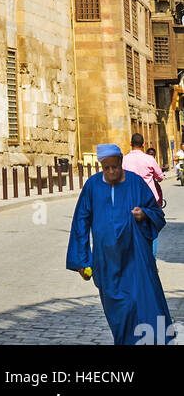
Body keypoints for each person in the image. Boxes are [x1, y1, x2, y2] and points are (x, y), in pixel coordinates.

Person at [66, 142, 172, 345]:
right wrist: (81, 260)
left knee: (140, 301)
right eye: (107, 168)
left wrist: (144, 214)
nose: (111, 171)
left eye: (115, 166)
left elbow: (157, 212)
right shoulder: (93, 185)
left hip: (136, 257)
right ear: (101, 167)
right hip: (106, 260)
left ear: (121, 163)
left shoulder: (135, 182)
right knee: (118, 307)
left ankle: (150, 340)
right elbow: (80, 221)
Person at [123, 133, 165, 257]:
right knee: (153, 227)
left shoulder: (123, 160)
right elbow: (160, 177)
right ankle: (151, 259)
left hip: (130, 200)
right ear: (143, 145)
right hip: (149, 200)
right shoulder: (149, 159)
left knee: (131, 229)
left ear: (130, 144)